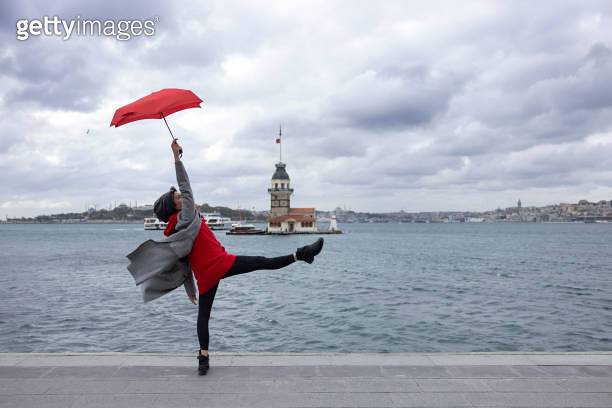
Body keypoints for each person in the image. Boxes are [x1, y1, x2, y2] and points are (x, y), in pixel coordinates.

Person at [127, 139, 324, 375]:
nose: (182, 196)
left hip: (206, 276)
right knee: (262, 262)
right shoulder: (187, 217)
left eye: (180, 196)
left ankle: (203, 357)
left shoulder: (176, 230)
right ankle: (302, 254)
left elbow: (185, 261)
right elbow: (186, 185)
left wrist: (190, 289)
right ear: (176, 207)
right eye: (178, 198)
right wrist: (176, 158)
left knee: (203, 317)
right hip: (221, 264)